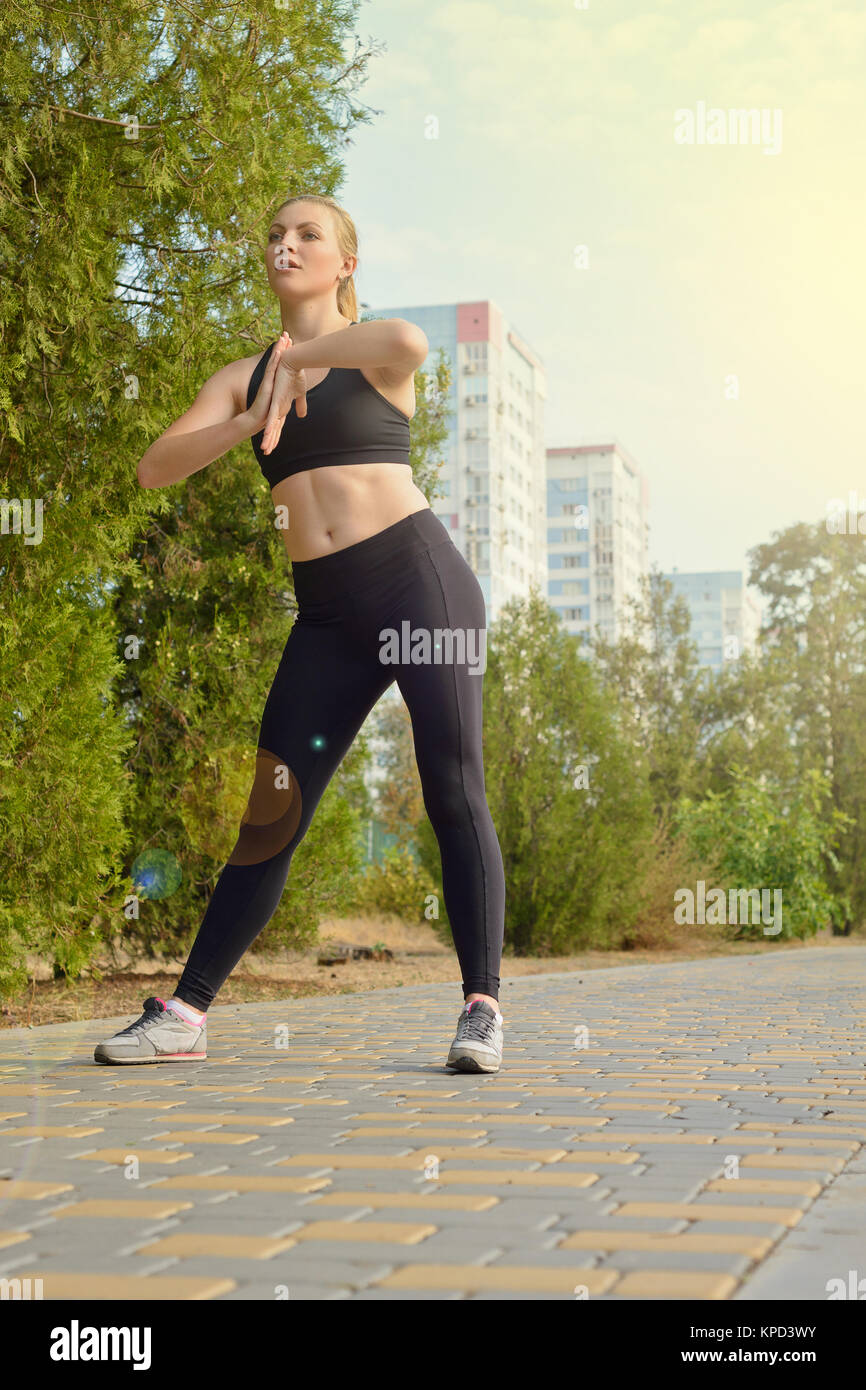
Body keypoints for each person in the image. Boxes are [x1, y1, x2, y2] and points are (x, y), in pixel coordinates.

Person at [94, 194, 506, 1073]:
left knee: (451, 786)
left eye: (307, 235)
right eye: (276, 236)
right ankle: (186, 1014)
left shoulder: (368, 355)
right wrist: (247, 419)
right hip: (325, 615)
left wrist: (306, 357)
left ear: (343, 263)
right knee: (270, 813)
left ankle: (480, 1009)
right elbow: (153, 468)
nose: (286, 245)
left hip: (418, 586)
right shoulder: (241, 376)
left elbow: (409, 343)